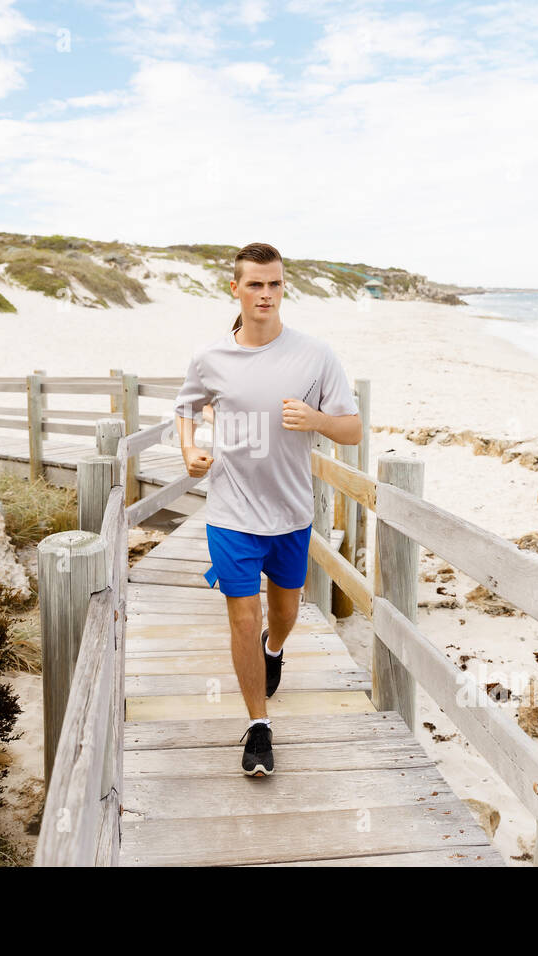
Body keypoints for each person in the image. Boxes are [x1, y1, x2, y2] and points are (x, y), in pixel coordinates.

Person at [173, 241, 362, 776]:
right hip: (231, 512)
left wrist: (317, 419)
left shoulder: (316, 355)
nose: (266, 294)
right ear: (234, 288)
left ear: (284, 288)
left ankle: (274, 650)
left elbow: (352, 430)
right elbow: (184, 408)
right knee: (242, 614)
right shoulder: (209, 358)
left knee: (281, 614)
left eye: (274, 283)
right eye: (254, 284)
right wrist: (189, 449)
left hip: (291, 515)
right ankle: (259, 727)